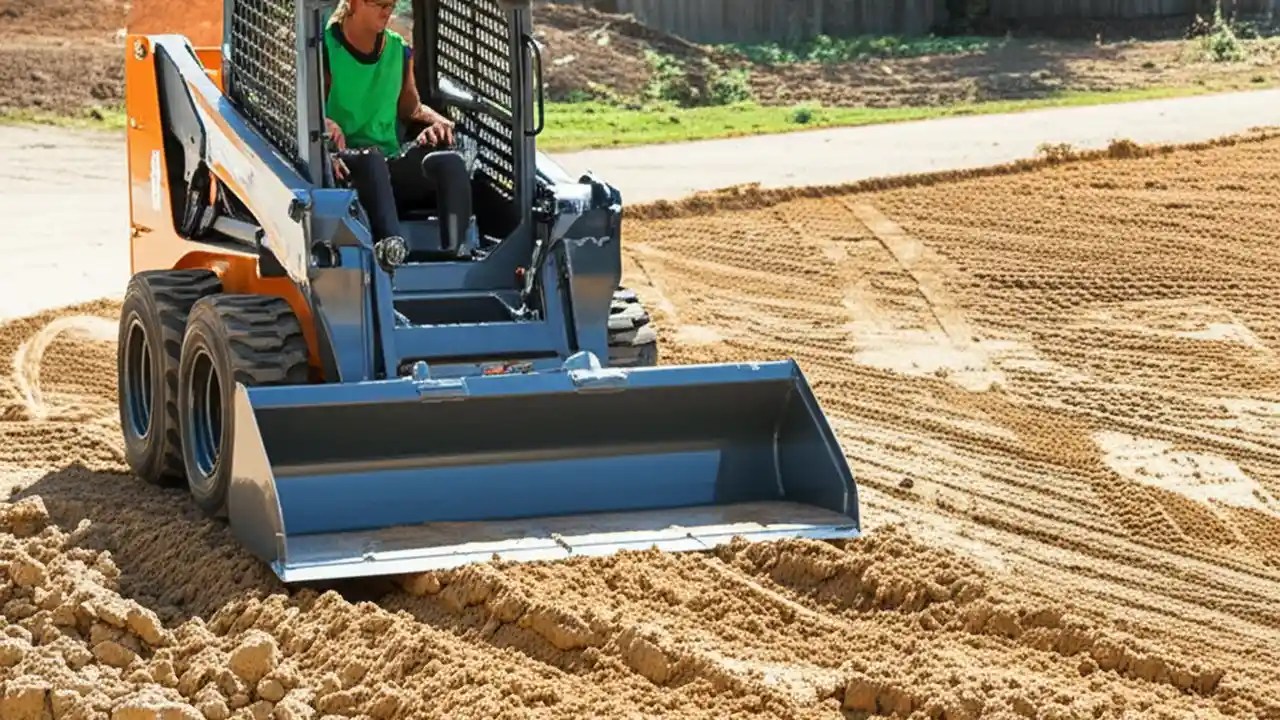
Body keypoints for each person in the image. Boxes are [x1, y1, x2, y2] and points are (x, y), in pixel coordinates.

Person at [321, 0, 456, 248]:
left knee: (449, 160)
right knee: (371, 161)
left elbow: (411, 109)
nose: (388, 10)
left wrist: (438, 123)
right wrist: (324, 124)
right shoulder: (324, 49)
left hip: (389, 162)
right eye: (379, 3)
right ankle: (391, 249)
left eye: (391, 4)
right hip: (345, 166)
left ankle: (458, 253)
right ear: (352, 3)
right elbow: (303, 109)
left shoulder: (398, 50)